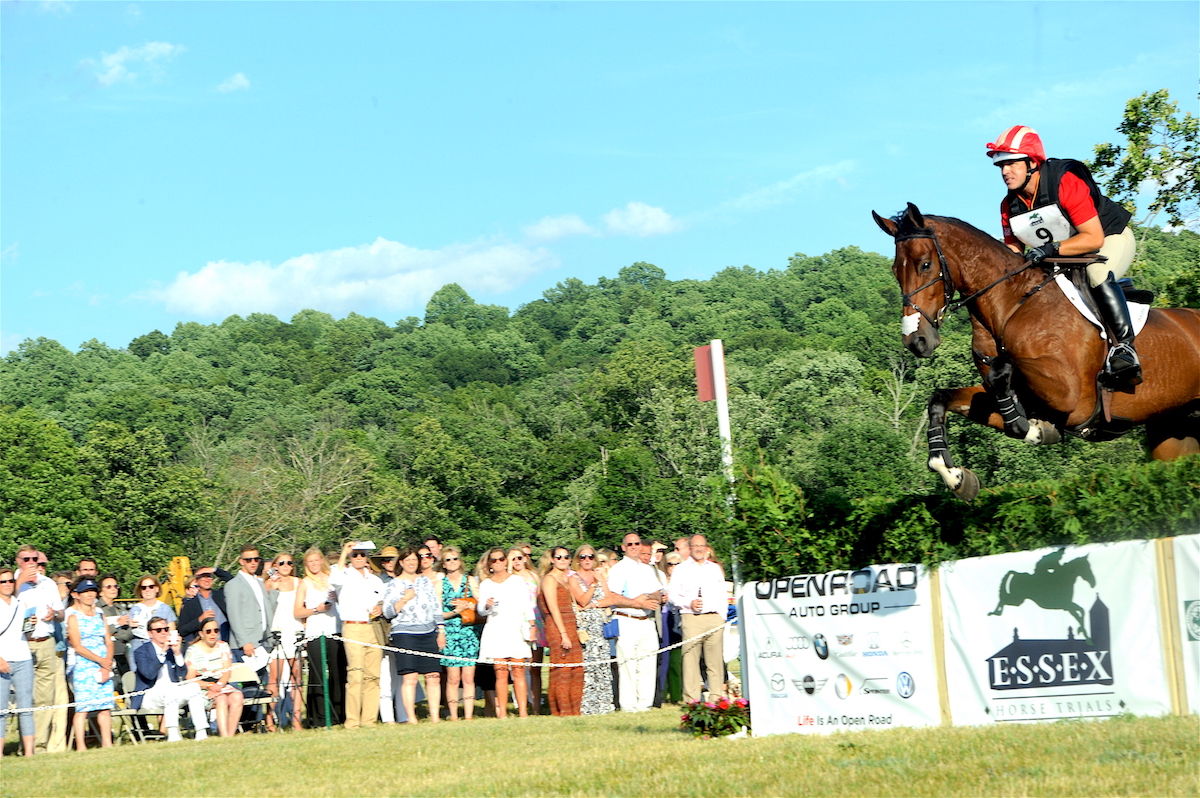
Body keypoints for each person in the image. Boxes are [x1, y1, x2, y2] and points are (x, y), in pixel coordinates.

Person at [987, 125, 1141, 388]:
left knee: (1096, 273)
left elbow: (1093, 239)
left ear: (1032, 163)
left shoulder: (1064, 182)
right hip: (1064, 258)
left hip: (1109, 237)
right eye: (1001, 165)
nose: (1004, 172)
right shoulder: (1008, 205)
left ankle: (1125, 349)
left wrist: (1051, 249)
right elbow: (1014, 252)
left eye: (1011, 163)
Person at [15, 545, 68, 754]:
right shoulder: (9, 582)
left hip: (46, 641)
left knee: (46, 697)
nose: (31, 563)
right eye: (26, 559)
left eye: (35, 559)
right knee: (25, 696)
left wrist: (53, 614)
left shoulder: (48, 583)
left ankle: (39, 745)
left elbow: (61, 614)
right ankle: (25, 744)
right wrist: (19, 583)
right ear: (18, 560)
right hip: (21, 643)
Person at [382, 547, 443, 724]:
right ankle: (411, 718)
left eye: (414, 560)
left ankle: (435, 717)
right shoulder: (393, 584)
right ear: (401, 562)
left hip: (429, 632)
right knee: (410, 677)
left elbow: (435, 607)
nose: (411, 563)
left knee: (433, 676)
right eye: (407, 560)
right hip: (405, 633)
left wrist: (441, 630)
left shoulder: (425, 581)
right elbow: (388, 611)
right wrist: (405, 598)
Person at [329, 541, 385, 729]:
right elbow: (333, 579)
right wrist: (345, 552)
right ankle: (352, 721)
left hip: (373, 627)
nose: (359, 558)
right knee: (355, 675)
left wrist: (380, 608)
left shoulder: (375, 580)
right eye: (355, 555)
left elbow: (382, 600)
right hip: (352, 627)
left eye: (362, 554)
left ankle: (369, 720)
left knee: (373, 676)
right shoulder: (344, 575)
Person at [606, 534, 664, 713]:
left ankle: (645, 704)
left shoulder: (647, 569)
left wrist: (647, 598)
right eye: (629, 544)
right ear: (623, 547)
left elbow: (658, 594)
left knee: (648, 663)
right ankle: (628, 706)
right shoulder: (618, 569)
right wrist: (637, 602)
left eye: (636, 543)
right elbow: (613, 597)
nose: (633, 546)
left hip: (646, 620)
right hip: (626, 619)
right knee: (628, 665)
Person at [668, 535, 728, 703]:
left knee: (714, 662)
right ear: (690, 548)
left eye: (702, 546)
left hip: (714, 618)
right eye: (696, 546)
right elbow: (672, 595)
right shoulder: (681, 569)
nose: (699, 549)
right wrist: (688, 603)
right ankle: (692, 701)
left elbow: (722, 594)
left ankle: (716, 699)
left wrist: (721, 618)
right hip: (691, 618)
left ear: (706, 547)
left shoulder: (714, 568)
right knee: (690, 662)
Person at [476, 547, 535, 719]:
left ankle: (523, 712)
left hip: (515, 628)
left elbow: (527, 604)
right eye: (494, 560)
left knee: (518, 671)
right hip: (496, 629)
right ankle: (502, 713)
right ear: (490, 564)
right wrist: (486, 605)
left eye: (501, 559)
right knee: (500, 673)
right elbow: (481, 610)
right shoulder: (486, 584)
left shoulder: (517, 581)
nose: (498, 563)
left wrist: (532, 625)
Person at [133, 616, 208, 742]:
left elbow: (182, 674)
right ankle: (173, 733)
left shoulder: (171, 650)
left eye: (166, 629)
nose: (163, 632)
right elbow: (148, 674)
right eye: (158, 630)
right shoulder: (141, 651)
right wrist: (162, 653)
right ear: (150, 634)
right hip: (149, 694)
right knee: (170, 691)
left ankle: (201, 731)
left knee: (194, 687)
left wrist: (177, 653)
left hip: (172, 692)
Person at [294, 547, 344, 728]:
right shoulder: (304, 583)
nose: (314, 564)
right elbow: (297, 611)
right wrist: (317, 609)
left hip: (336, 629)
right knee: (317, 675)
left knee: (338, 673)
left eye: (316, 560)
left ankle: (339, 713)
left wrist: (337, 598)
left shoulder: (332, 578)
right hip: (316, 632)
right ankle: (318, 717)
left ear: (322, 560)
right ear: (306, 564)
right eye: (310, 561)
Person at [65, 578, 114, 750]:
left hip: (103, 663)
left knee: (105, 706)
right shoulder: (73, 617)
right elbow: (77, 645)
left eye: (92, 591)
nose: (89, 595)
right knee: (83, 707)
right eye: (85, 592)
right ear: (76, 595)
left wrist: (107, 662)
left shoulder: (100, 615)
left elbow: (108, 640)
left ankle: (107, 743)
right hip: (84, 665)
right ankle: (81, 745)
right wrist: (100, 660)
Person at [568, 546, 615, 715]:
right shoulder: (573, 578)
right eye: (583, 557)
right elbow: (582, 600)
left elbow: (609, 599)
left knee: (602, 666)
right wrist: (594, 586)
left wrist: (594, 604)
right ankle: (587, 706)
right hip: (585, 629)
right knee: (587, 667)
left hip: (600, 627)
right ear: (577, 559)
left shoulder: (599, 575)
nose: (587, 560)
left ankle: (604, 705)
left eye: (590, 556)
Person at [539, 546, 582, 716]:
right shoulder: (550, 579)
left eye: (566, 557)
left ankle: (575, 709)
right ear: (552, 559)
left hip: (571, 624)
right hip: (557, 626)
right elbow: (553, 608)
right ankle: (562, 710)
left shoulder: (567, 578)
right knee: (562, 669)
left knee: (576, 669)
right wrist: (563, 634)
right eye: (559, 557)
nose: (563, 560)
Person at [438, 545, 479, 721]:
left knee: (468, 677)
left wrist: (467, 606)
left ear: (460, 561)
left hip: (469, 631)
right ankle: (454, 715)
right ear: (443, 564)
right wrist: (455, 612)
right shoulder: (440, 584)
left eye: (455, 558)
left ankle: (469, 715)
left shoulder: (470, 581)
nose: (452, 562)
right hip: (450, 632)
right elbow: (437, 612)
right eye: (448, 559)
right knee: (453, 677)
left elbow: (481, 605)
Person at [185, 619, 244, 737]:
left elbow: (227, 671)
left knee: (238, 696)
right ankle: (224, 735)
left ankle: (230, 735)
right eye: (208, 631)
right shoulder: (193, 650)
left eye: (216, 630)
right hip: (202, 687)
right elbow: (190, 678)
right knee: (221, 698)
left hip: (221, 684)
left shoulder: (223, 646)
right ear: (201, 634)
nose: (213, 634)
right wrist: (209, 686)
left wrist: (219, 685)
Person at [265, 552, 304, 730]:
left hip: (295, 631)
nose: (286, 565)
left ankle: (297, 718)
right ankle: (269, 718)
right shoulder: (271, 583)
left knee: (297, 677)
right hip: (278, 631)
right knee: (274, 677)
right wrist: (272, 585)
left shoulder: (299, 582)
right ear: (275, 565)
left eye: (289, 562)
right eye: (282, 563)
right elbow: (267, 609)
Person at [0, 566, 36, 757]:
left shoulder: (21, 603)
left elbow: (26, 633)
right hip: (2, 660)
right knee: (0, 710)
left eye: (10, 581)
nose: (7, 585)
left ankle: (29, 753)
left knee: (26, 707)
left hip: (23, 658)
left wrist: (32, 625)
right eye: (3, 581)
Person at [508, 546, 544, 715]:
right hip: (516, 622)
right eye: (513, 558)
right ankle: (521, 702)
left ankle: (537, 705)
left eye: (519, 558)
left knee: (535, 667)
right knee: (519, 667)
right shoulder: (508, 579)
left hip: (535, 621)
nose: (517, 562)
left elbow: (539, 600)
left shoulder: (533, 576)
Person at [128, 575, 178, 665]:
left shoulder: (165, 608)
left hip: (161, 648)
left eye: (151, 586)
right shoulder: (135, 609)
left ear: (157, 589)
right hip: (139, 647)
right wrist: (129, 625)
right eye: (143, 587)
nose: (147, 590)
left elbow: (172, 631)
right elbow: (128, 634)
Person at [96, 575, 133, 678]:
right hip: (105, 655)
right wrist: (117, 625)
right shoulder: (96, 609)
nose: (113, 589)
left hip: (123, 653)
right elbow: (99, 631)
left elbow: (128, 633)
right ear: (100, 591)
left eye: (115, 586)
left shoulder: (120, 608)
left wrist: (115, 633)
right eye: (109, 586)